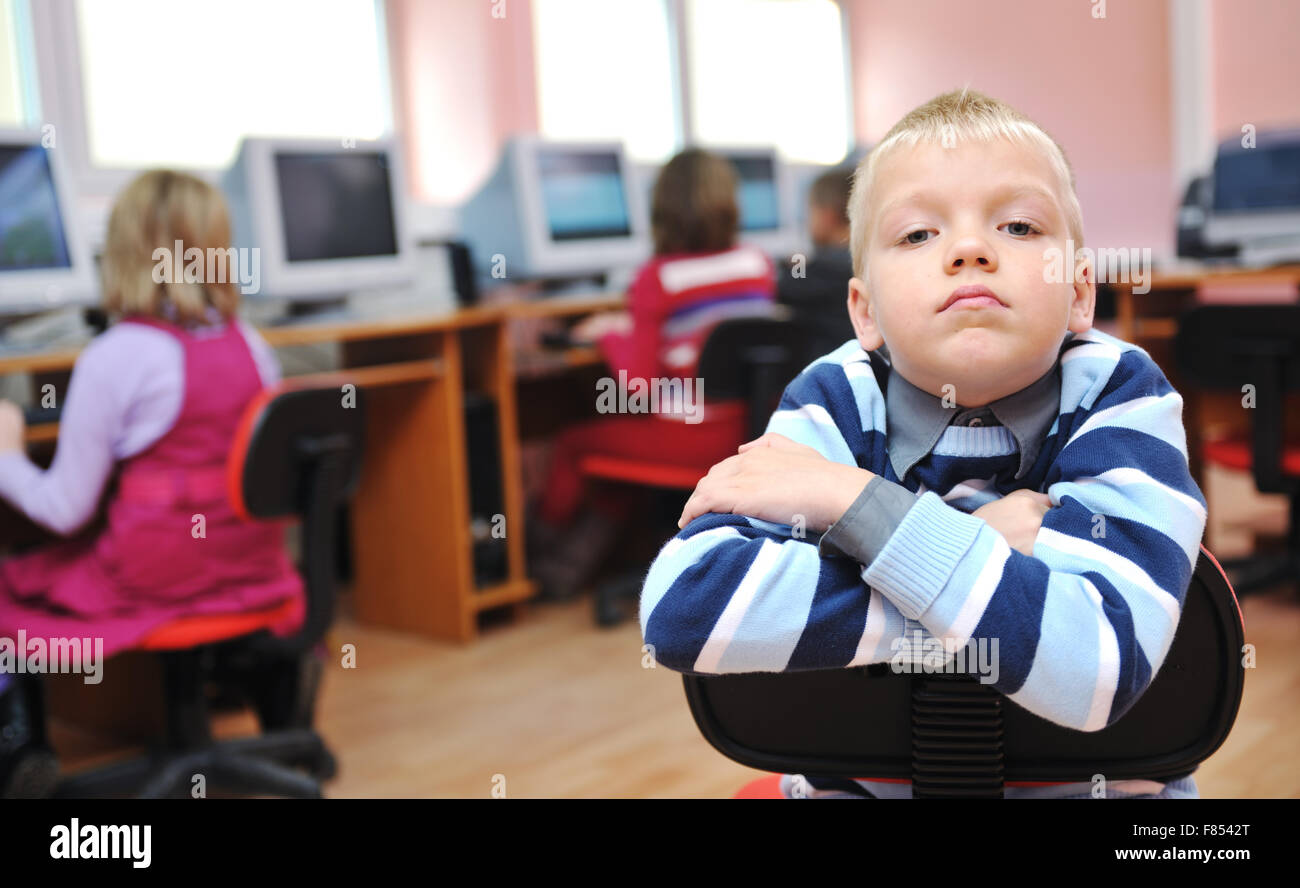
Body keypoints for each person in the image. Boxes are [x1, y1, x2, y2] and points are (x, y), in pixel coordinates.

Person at [638, 88, 1207, 799]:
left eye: (1020, 227)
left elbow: (1094, 666)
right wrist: (980, 552)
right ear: (865, 311)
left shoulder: (1121, 394)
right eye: (918, 235)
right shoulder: (836, 396)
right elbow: (682, 607)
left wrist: (854, 502)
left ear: (1081, 295)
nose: (970, 249)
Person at [0, 170, 303, 797]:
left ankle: (24, 753)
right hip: (249, 575)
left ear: (123, 249)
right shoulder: (253, 345)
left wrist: (6, 452)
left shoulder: (117, 355)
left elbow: (63, 509)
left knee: (11, 580)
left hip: (154, 586)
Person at [529, 148, 776, 599]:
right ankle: (569, 570)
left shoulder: (657, 278)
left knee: (573, 442)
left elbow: (638, 387)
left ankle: (532, 563)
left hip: (691, 439)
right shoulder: (757, 264)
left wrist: (611, 336)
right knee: (619, 447)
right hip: (749, 430)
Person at [777, 166, 857, 362]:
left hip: (830, 375)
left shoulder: (824, 267)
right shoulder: (870, 259)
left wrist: (797, 260)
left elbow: (787, 287)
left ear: (826, 216)